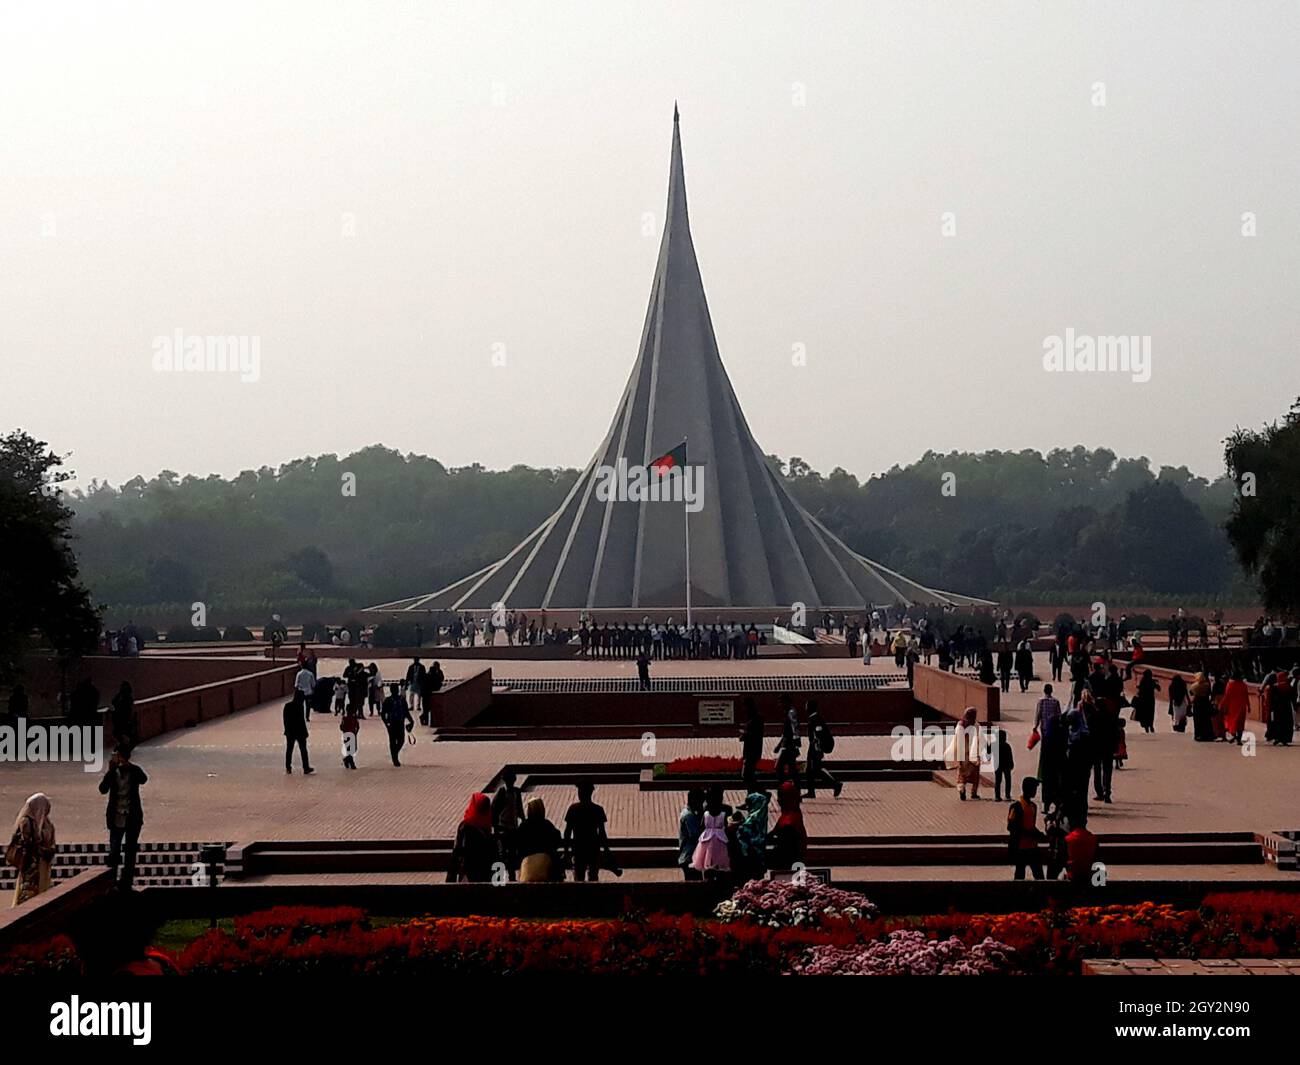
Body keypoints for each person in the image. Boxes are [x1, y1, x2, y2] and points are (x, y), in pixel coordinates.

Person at [99, 746, 147, 890]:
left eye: (116, 755)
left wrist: (128, 765)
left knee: (130, 851)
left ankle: (126, 882)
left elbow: (143, 779)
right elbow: (102, 789)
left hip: (132, 817)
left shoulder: (134, 770)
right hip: (116, 817)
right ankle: (111, 881)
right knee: (114, 850)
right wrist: (110, 770)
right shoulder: (113, 773)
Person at [564, 782, 621, 881]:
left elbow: (567, 832)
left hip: (578, 848)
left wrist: (566, 851)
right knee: (593, 876)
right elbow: (602, 833)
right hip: (593, 848)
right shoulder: (598, 810)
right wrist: (607, 851)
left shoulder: (573, 809)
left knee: (579, 876)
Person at [7, 793, 55, 907]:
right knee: (29, 892)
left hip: (43, 864)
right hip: (31, 865)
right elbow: (28, 843)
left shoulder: (46, 823)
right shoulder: (26, 822)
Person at [447, 794, 496, 882]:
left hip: (468, 875)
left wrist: (450, 878)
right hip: (485, 875)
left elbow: (457, 852)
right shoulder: (487, 828)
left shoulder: (465, 827)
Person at [516, 797, 565, 882]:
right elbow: (557, 840)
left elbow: (518, 844)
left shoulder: (524, 826)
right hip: (546, 866)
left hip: (527, 866)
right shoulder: (547, 825)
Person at [1007, 776, 1045, 880]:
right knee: (1020, 874)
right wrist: (1030, 834)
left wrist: (1038, 833)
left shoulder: (1033, 806)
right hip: (1021, 848)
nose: (1035, 791)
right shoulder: (1017, 807)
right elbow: (1012, 827)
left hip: (1033, 846)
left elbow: (1031, 825)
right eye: (1034, 788)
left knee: (1039, 875)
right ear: (1028, 789)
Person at [691, 788, 732, 881]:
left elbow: (702, 825)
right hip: (721, 840)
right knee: (721, 866)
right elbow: (728, 825)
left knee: (706, 864)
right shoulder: (726, 809)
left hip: (707, 839)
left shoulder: (706, 810)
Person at [491, 770, 525, 881]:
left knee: (512, 854)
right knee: (501, 855)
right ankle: (498, 878)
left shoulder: (516, 792)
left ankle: (512, 877)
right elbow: (493, 809)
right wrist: (495, 827)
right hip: (502, 828)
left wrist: (523, 820)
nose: (510, 783)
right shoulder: (501, 792)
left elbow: (519, 808)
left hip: (513, 828)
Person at [803, 703, 842, 798]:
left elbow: (819, 733)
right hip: (814, 747)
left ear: (810, 709)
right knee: (811, 770)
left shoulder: (815, 719)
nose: (805, 709)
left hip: (815, 748)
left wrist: (818, 748)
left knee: (813, 770)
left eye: (807, 707)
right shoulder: (814, 718)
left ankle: (835, 785)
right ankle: (812, 791)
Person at [767, 781, 807, 871]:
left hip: (789, 866)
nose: (778, 800)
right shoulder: (793, 813)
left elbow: (785, 850)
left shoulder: (788, 822)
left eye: (780, 797)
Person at [732, 792, 771, 882]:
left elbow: (742, 833)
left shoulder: (751, 821)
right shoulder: (762, 817)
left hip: (749, 857)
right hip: (759, 857)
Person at [948, 706, 983, 801]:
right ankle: (974, 793)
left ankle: (961, 788)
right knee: (975, 774)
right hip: (973, 754)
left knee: (961, 775)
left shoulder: (960, 725)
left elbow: (957, 740)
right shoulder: (976, 725)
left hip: (963, 754)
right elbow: (979, 739)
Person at [380, 683, 413, 766]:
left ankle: (394, 754)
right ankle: (395, 758)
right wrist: (386, 723)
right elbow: (383, 713)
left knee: (401, 740)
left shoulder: (402, 700)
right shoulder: (388, 700)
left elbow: (406, 711)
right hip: (392, 723)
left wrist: (411, 721)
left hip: (400, 722)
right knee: (393, 741)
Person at [677, 787, 706, 881]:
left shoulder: (689, 813)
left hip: (689, 855)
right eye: (700, 802)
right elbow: (696, 835)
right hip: (689, 856)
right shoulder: (689, 816)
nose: (701, 805)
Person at [282, 690, 313, 774]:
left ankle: (288, 767)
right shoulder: (300, 706)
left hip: (290, 732)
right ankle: (306, 767)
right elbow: (301, 721)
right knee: (303, 750)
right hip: (300, 732)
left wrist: (286, 730)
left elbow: (285, 720)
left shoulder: (288, 706)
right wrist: (305, 732)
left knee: (289, 750)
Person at [740, 698, 764, 791]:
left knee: (747, 775)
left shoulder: (755, 719)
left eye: (744, 707)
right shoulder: (753, 718)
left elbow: (754, 735)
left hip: (752, 751)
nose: (743, 709)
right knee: (749, 775)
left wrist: (745, 735)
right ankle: (754, 794)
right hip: (751, 751)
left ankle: (761, 792)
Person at [1220, 671, 1250, 745]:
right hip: (1242, 707)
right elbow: (1246, 696)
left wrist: (1222, 705)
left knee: (1232, 723)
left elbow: (1227, 696)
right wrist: (1249, 706)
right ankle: (1238, 739)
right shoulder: (1243, 685)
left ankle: (1234, 736)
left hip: (1232, 707)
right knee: (1240, 724)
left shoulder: (1230, 685)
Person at [1190, 672, 1216, 741]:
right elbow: (1209, 693)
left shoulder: (1194, 686)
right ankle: (1207, 735)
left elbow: (1191, 693)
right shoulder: (1207, 685)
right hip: (1205, 702)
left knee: (1197, 720)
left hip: (1197, 703)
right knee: (1206, 719)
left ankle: (1198, 735)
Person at [110, 682, 137, 749]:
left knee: (121, 732)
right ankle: (124, 744)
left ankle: (124, 745)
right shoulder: (124, 695)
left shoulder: (123, 696)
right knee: (122, 732)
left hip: (122, 717)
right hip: (123, 717)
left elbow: (114, 702)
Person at [993, 728, 1014, 802]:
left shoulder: (994, 745)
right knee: (1008, 780)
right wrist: (1011, 764)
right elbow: (1010, 756)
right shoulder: (1007, 746)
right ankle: (1007, 795)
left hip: (997, 766)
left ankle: (997, 796)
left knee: (998, 781)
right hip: (1006, 765)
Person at [339, 702, 360, 769]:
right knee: (350, 750)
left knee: (352, 749)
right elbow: (357, 726)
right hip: (349, 735)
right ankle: (351, 762)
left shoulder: (347, 718)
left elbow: (341, 727)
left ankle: (347, 760)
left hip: (349, 734)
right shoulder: (348, 718)